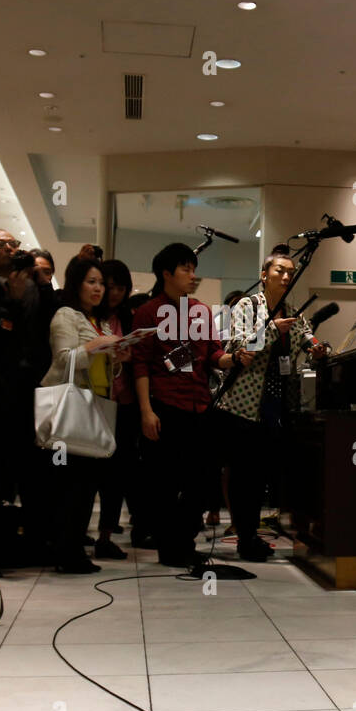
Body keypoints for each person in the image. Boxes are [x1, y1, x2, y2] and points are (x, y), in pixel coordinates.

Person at [131, 243, 235, 567]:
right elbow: (141, 365)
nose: (193, 276)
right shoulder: (148, 312)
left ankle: (185, 540)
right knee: (164, 483)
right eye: (186, 269)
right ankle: (169, 547)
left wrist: (234, 358)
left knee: (201, 481)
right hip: (166, 406)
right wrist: (147, 411)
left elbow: (214, 355)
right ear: (166, 274)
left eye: (194, 269)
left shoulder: (201, 311)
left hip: (199, 406)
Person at [217, 252, 321, 561]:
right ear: (264, 275)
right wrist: (274, 329)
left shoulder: (293, 311)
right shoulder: (247, 306)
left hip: (277, 406)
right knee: (242, 475)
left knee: (263, 476)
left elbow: (307, 337)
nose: (287, 277)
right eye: (280, 271)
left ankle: (252, 535)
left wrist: (318, 348)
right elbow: (238, 347)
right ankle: (245, 538)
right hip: (243, 405)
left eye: (290, 272)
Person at [40, 256, 128, 573]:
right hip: (69, 405)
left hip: (95, 405)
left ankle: (74, 548)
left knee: (87, 485)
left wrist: (117, 356)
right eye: (92, 282)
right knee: (70, 485)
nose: (98, 288)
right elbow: (62, 361)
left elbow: (105, 370)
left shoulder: (99, 322)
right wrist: (95, 347)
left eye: (102, 283)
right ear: (77, 283)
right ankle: (65, 551)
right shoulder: (66, 315)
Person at [96, 260, 141, 554]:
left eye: (120, 288)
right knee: (91, 474)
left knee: (118, 472)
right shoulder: (86, 316)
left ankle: (106, 535)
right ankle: (79, 534)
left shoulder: (129, 317)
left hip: (124, 403)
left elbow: (141, 358)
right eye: (108, 286)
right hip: (95, 403)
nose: (112, 293)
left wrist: (130, 356)